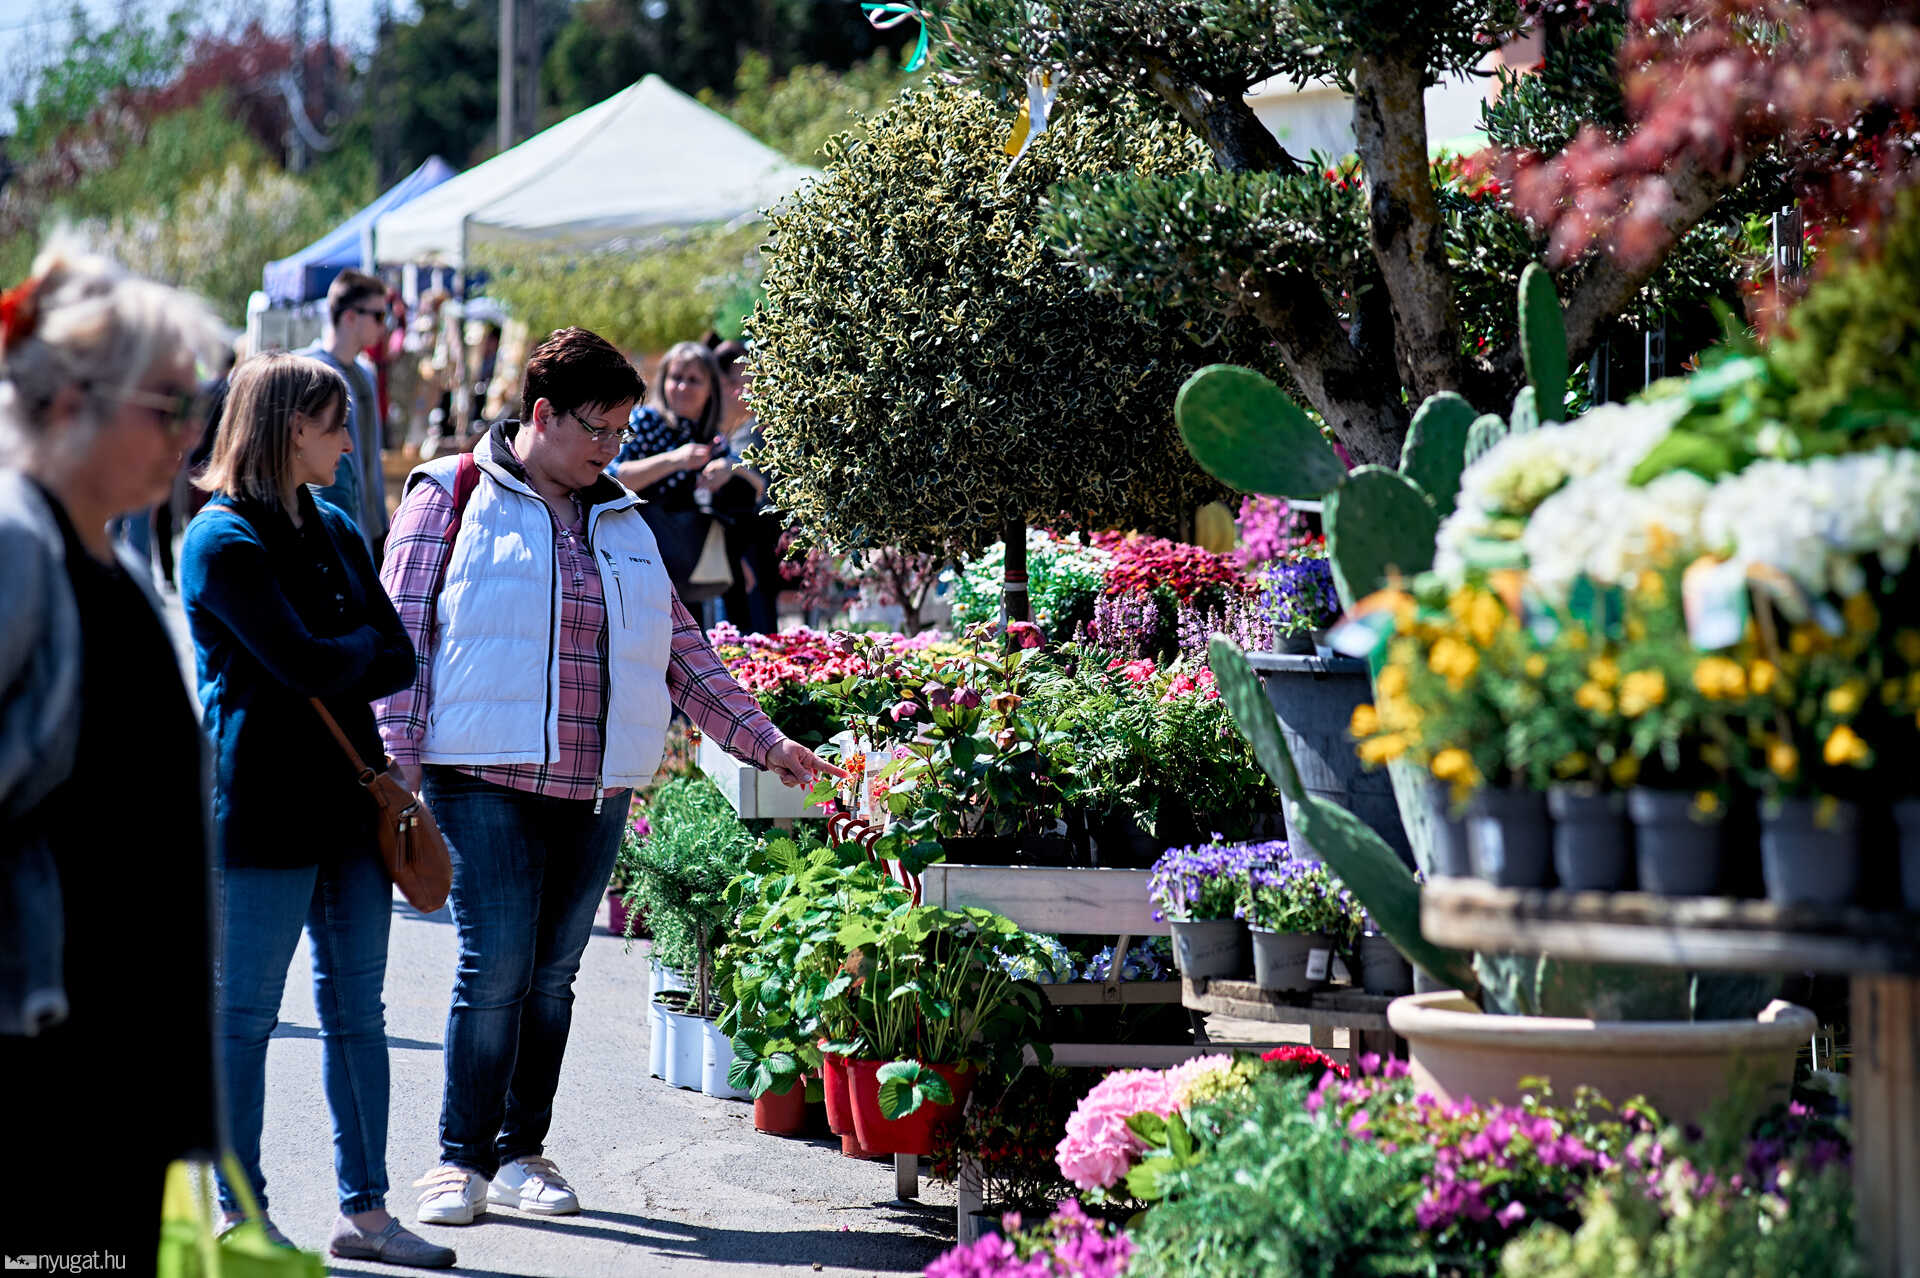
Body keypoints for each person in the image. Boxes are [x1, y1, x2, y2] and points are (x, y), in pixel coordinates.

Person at [374, 326, 843, 1226]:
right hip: (482, 779)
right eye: (596, 429)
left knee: (553, 975)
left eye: (621, 432)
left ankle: (522, 1153)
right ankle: (458, 1159)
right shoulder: (450, 493)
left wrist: (768, 743)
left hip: (596, 787)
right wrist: (400, 773)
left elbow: (683, 651)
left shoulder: (622, 517)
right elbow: (401, 642)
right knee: (495, 965)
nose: (610, 448)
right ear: (540, 414)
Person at [179, 353, 453, 1267]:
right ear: (290, 426)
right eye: (337, 424)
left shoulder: (335, 526)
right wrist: (348, 650)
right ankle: (239, 1215)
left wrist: (334, 652)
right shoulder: (219, 540)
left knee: (357, 1014)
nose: (348, 442)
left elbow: (399, 658)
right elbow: (311, 663)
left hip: (351, 808)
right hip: (259, 810)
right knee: (244, 1017)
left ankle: (365, 1216)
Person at [0, 238, 226, 1271]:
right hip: (48, 1081)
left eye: (194, 408)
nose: (188, 434)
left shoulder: (114, 557)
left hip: (121, 1081)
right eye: (165, 406)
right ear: (63, 404)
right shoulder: (17, 547)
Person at [609, 339, 735, 601]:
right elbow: (612, 476)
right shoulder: (641, 422)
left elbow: (756, 491)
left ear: (711, 388)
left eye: (693, 380)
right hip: (635, 561)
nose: (682, 387)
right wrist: (675, 460)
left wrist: (730, 468)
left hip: (689, 573)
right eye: (676, 377)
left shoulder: (713, 440)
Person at [302, 269, 392, 561]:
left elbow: (369, 463)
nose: (385, 325)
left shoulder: (365, 374)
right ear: (350, 316)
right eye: (378, 315)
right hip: (328, 535)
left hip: (367, 534)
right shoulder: (308, 372)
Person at [710, 339, 783, 634]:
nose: (755, 384)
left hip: (759, 555)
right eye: (747, 376)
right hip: (734, 559)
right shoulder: (719, 435)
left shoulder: (751, 428)